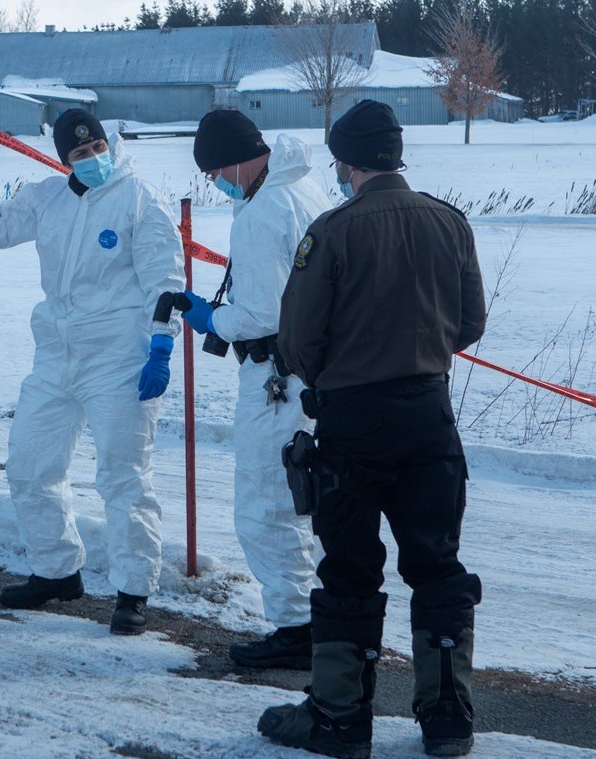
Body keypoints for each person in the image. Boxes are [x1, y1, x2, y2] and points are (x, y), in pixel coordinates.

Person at [258, 100, 487, 758]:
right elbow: (470, 325)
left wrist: (345, 366)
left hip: (353, 420)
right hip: (428, 414)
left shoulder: (331, 232)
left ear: (347, 162)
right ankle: (448, 719)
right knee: (437, 565)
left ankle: (339, 715)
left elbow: (298, 341)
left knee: (350, 568)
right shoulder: (450, 222)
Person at [0, 110, 184, 636]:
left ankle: (133, 591)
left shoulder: (139, 199)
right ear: (64, 160)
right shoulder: (47, 198)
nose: (93, 158)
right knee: (30, 464)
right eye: (80, 154)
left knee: (122, 474)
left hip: (120, 356)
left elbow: (165, 279)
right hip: (56, 354)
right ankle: (56, 571)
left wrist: (160, 344)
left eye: (98, 147)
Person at [180, 110, 333, 670]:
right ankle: (315, 622)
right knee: (299, 501)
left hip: (278, 377)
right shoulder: (301, 187)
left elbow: (261, 312)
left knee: (265, 504)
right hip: (311, 372)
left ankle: (296, 630)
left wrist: (211, 320)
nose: (216, 182)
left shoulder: (264, 210)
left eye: (216, 170)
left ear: (235, 159)